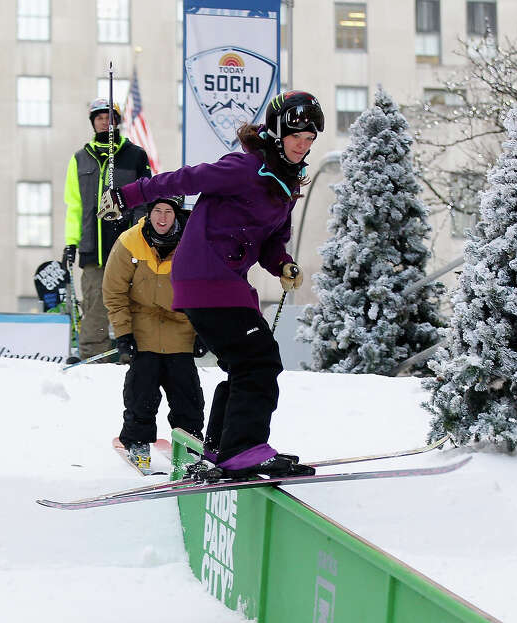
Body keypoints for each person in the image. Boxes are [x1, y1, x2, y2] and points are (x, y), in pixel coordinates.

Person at [98, 91, 325, 477]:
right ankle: (244, 448)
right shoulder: (244, 168)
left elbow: (271, 241)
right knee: (260, 360)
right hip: (206, 275)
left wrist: (282, 264)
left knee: (244, 364)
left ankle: (221, 448)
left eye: (308, 141)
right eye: (295, 139)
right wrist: (126, 194)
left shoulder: (285, 185)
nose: (302, 147)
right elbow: (185, 178)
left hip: (225, 281)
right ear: (275, 134)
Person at [103, 196, 207, 471]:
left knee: (187, 396)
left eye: (168, 212)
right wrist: (124, 334)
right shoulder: (130, 242)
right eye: (157, 211)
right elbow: (114, 292)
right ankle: (137, 442)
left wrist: (202, 332)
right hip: (143, 330)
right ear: (148, 214)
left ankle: (190, 445)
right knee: (141, 391)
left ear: (176, 215)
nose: (162, 218)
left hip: (181, 330)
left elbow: (205, 291)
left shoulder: (195, 243)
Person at [62, 98, 152, 359]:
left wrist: (139, 235)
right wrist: (71, 244)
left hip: (128, 250)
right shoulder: (80, 159)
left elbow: (144, 201)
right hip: (93, 251)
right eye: (99, 117)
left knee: (132, 305)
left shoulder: (135, 155)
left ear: (117, 121)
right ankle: (93, 359)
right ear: (93, 122)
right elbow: (74, 206)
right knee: (94, 309)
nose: (104, 121)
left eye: (109, 117)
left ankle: (134, 360)